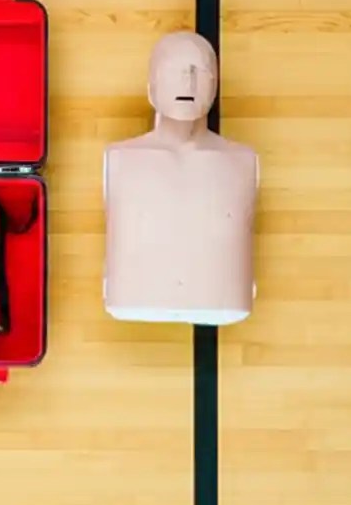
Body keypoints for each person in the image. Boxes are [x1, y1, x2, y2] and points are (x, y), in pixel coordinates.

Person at [102, 30, 259, 326]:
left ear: (216, 85)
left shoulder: (243, 161)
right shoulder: (119, 158)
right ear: (151, 86)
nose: (187, 81)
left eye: (200, 72)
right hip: (133, 300)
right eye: (174, 71)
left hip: (223, 304)